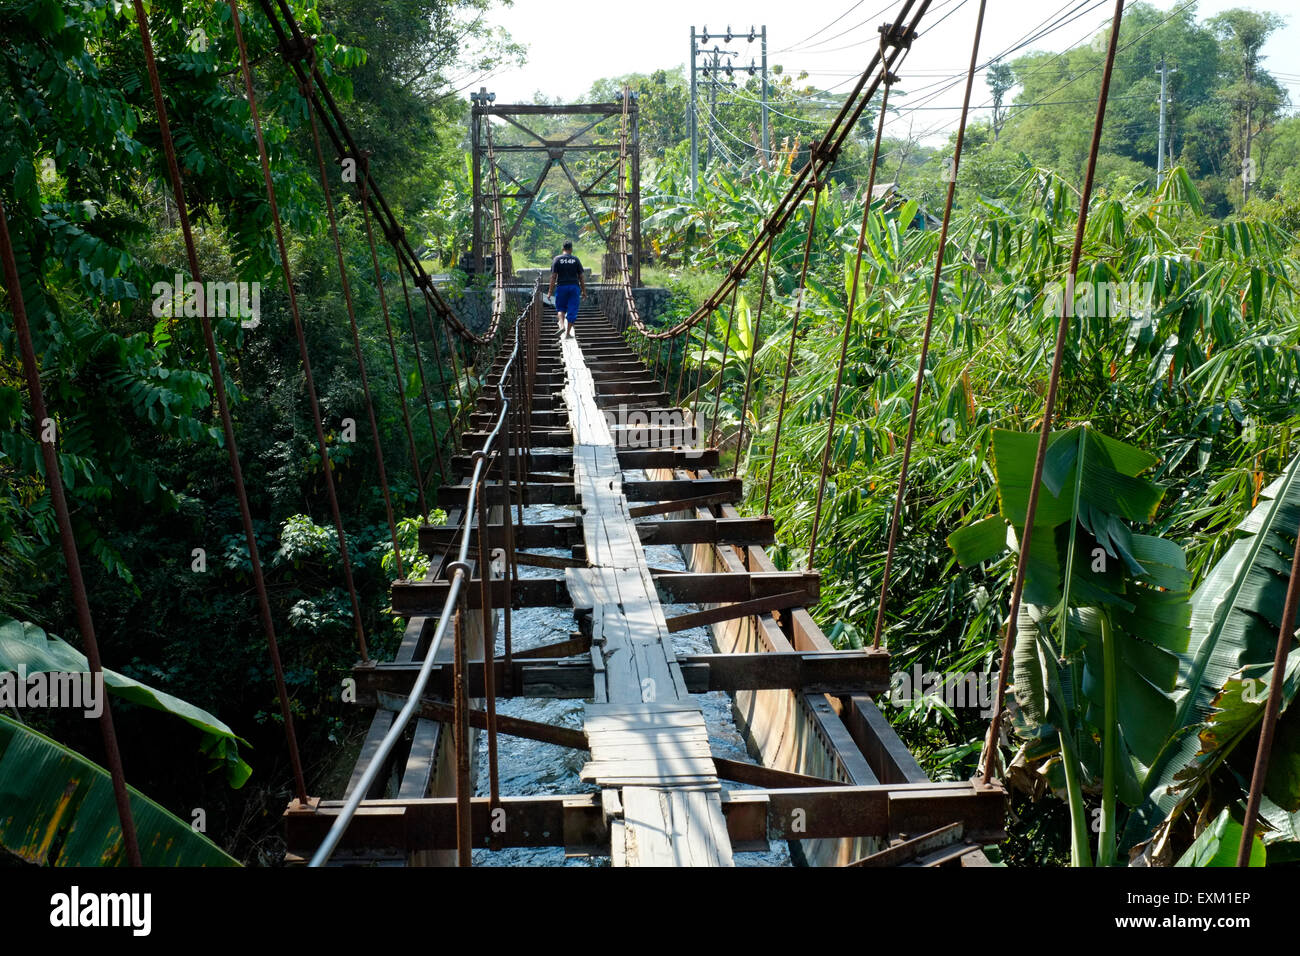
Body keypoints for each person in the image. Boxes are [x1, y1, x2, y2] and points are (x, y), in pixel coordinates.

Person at [548, 240, 585, 337]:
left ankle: (561, 326)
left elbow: (553, 277)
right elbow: (581, 277)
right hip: (574, 287)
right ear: (571, 249)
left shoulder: (557, 259)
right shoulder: (576, 260)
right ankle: (568, 333)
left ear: (562, 249)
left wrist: (549, 292)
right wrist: (584, 291)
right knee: (572, 310)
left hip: (561, 287)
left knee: (560, 309)